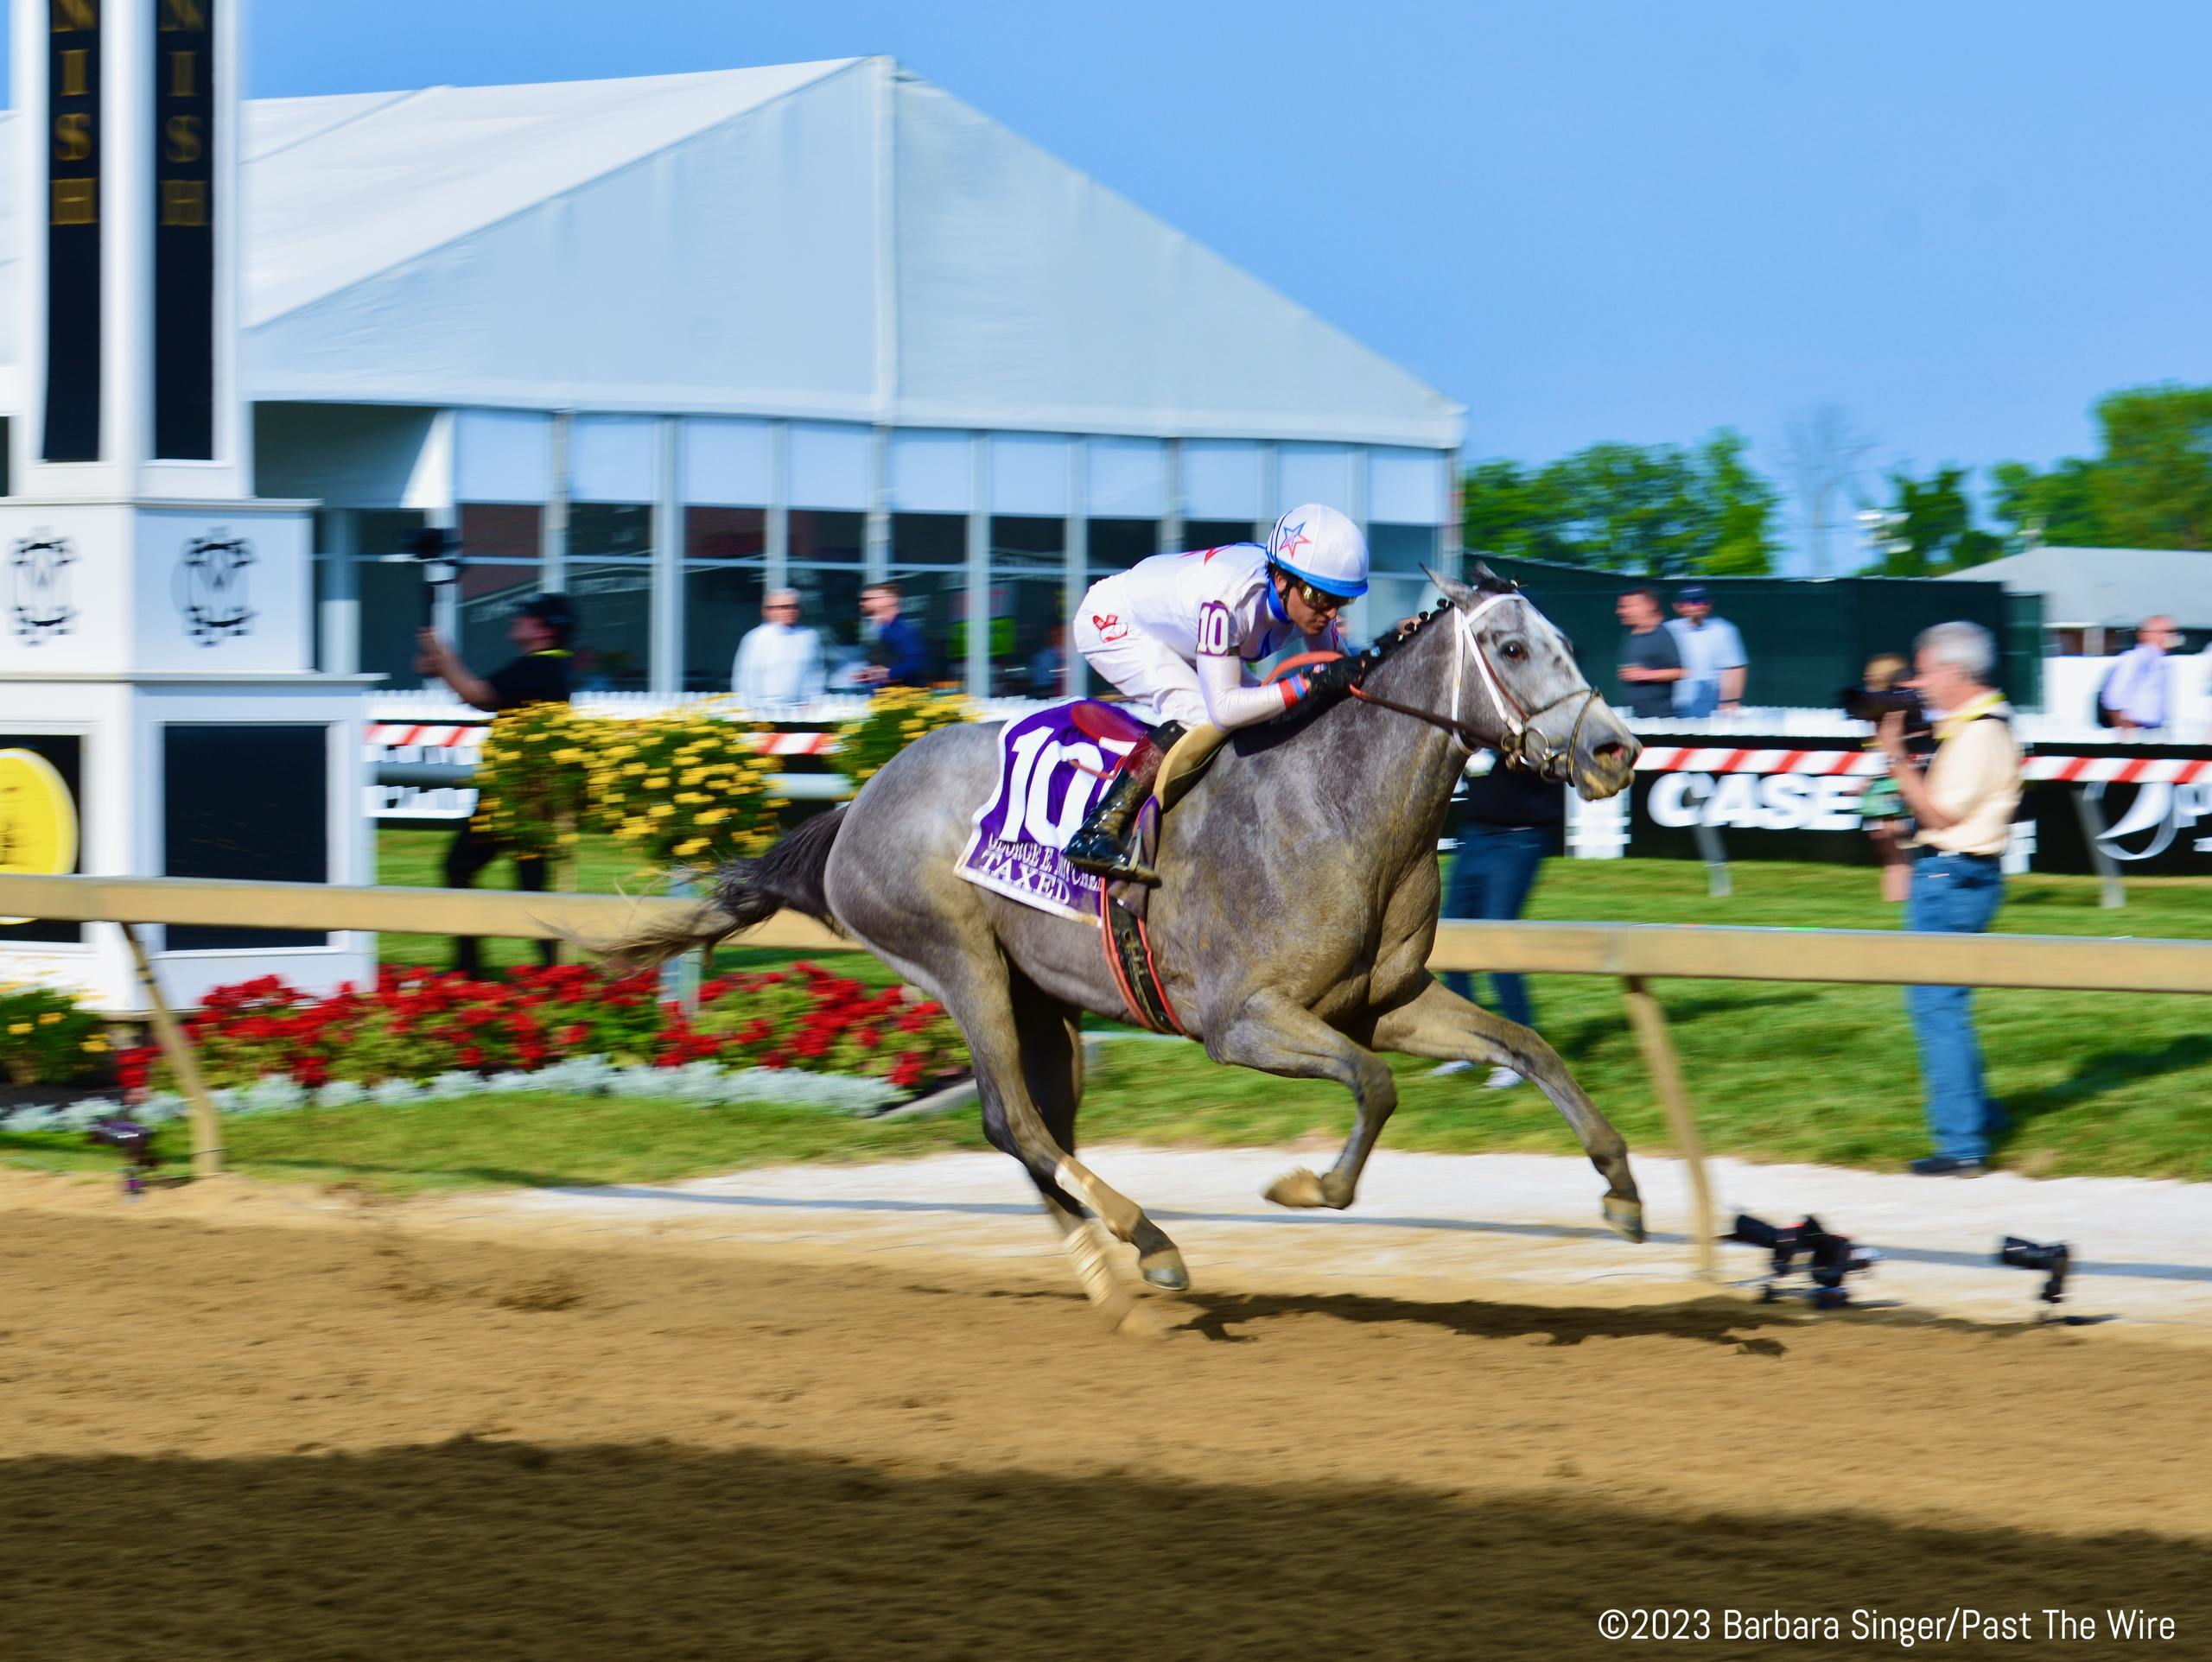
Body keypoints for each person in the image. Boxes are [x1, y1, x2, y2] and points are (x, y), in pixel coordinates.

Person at [1063, 504, 1368, 883]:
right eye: (1319, 597)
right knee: (1199, 714)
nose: (1328, 613)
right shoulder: (1231, 599)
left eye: (1342, 601)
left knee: (1267, 707)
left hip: (1183, 632)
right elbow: (1225, 709)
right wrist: (1307, 684)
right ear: (1281, 579)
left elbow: (1342, 670)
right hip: (1113, 620)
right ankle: (1099, 829)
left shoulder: (1302, 598)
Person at [1875, 620, 2023, 1177]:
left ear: (1956, 672)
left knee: (1937, 1007)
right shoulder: (1979, 724)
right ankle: (1980, 1114)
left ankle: (1962, 1144)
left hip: (1950, 876)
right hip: (1959, 875)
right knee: (1946, 1005)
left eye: (1927, 670)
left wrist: (1895, 758)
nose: (1919, 681)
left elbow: (1938, 814)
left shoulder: (1980, 732)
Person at [413, 593, 578, 978]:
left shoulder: (538, 667)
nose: (517, 621)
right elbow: (476, 692)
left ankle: (472, 968)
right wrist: (441, 666)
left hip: (515, 798)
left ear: (545, 629)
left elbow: (478, 695)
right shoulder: (549, 667)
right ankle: (551, 973)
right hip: (528, 795)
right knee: (531, 884)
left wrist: (443, 652)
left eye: (526, 616)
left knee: (460, 867)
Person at [1431, 755, 1564, 1088]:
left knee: (1498, 945)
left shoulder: (1533, 724)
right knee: (1451, 942)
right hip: (1475, 836)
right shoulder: (1481, 719)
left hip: (1520, 838)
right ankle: (1469, 1045)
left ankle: (1522, 1054)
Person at [1852, 653, 1916, 904]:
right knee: (1897, 857)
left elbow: (1884, 752)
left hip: (1884, 788)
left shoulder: (1883, 712)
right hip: (1887, 786)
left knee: (1895, 859)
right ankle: (1898, 907)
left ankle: (1897, 907)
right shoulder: (1887, 712)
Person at [731, 589, 825, 710]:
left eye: (794, 607)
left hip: (801, 709)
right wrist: (748, 706)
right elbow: (745, 676)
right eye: (784, 607)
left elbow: (817, 672)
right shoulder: (756, 638)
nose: (790, 611)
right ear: (767, 611)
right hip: (763, 709)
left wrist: (814, 700)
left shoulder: (809, 636)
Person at [1665, 584, 1747, 716]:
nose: (1700, 605)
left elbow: (1735, 668)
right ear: (1678, 606)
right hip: (1670, 707)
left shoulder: (1724, 630)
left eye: (1704, 600)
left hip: (1709, 709)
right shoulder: (1667, 630)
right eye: (1692, 601)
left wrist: (1730, 701)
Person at [1613, 587, 1683, 719]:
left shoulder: (1665, 633)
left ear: (1649, 605)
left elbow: (1681, 672)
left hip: (1660, 720)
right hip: (1635, 715)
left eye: (1626, 606)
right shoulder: (1631, 634)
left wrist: (1644, 674)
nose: (1620, 611)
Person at [2098, 615, 2177, 730]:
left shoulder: (2161, 661)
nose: (2172, 636)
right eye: (2166, 632)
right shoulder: (2137, 658)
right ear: (2146, 634)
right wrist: (2127, 731)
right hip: (2137, 732)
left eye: (2173, 632)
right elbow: (2113, 698)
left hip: (2154, 731)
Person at [855, 582, 931, 689]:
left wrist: (888, 674)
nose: (862, 603)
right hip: (886, 697)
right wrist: (869, 674)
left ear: (890, 600)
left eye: (869, 599)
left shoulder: (902, 630)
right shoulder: (883, 629)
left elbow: (915, 661)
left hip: (903, 698)